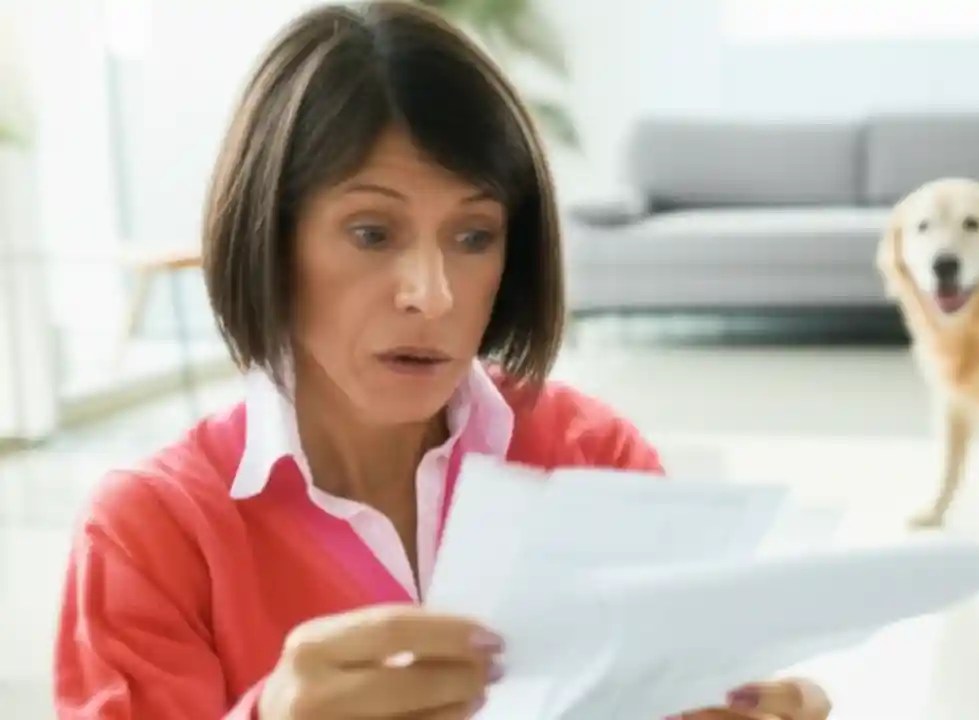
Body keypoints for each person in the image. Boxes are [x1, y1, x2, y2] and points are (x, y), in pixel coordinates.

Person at [53, 2, 832, 718]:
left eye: (473, 237)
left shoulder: (593, 458)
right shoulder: (148, 536)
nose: (431, 294)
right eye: (371, 233)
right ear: (270, 237)